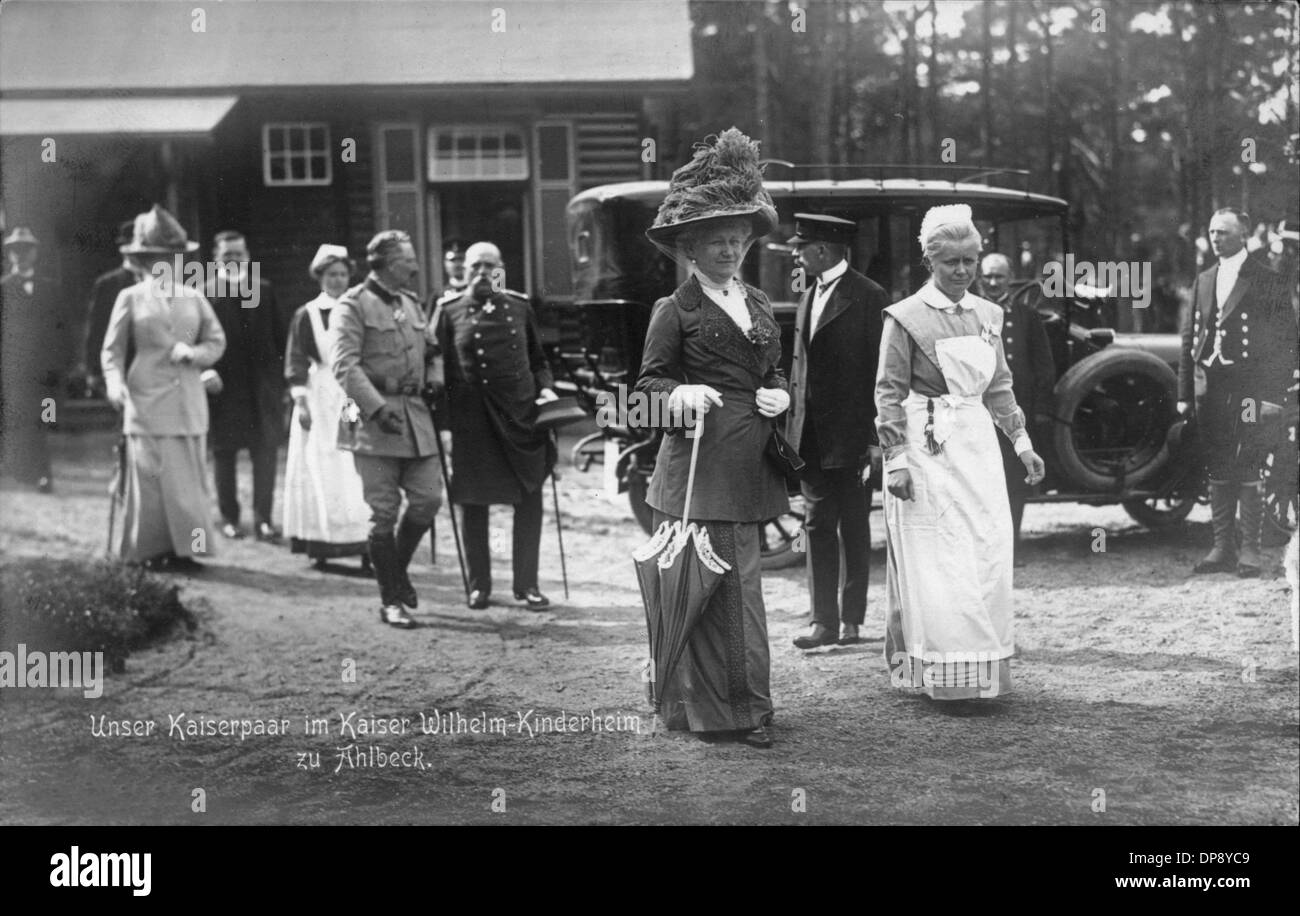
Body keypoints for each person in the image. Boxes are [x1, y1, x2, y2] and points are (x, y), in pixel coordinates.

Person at [635, 128, 789, 748]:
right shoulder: (674, 310)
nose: (729, 250)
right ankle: (733, 713)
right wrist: (677, 395)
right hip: (698, 469)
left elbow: (771, 369)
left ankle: (712, 703)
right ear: (691, 249)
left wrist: (781, 391)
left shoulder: (757, 303)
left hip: (750, 463)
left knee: (736, 585)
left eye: (737, 240)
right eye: (716, 241)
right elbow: (645, 387)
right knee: (717, 585)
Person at [875, 204, 1045, 701]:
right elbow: (888, 391)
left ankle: (983, 670)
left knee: (985, 551)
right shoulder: (905, 317)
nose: (964, 271)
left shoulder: (989, 314)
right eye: (952, 262)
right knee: (939, 558)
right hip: (927, 448)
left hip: (978, 450)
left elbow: (1000, 387)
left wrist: (1022, 444)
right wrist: (896, 460)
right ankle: (945, 678)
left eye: (970, 260)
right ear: (931, 261)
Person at [100, 205, 226, 568]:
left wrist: (196, 353)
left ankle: (188, 551)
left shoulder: (195, 297)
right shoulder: (131, 298)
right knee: (150, 482)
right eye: (155, 258)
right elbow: (113, 351)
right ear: (142, 261)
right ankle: (149, 552)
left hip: (187, 400)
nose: (164, 265)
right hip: (145, 400)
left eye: (171, 258)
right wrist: (114, 385)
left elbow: (216, 342)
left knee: (187, 482)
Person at [435, 241, 558, 610]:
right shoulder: (449, 311)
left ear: (501, 268)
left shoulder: (519, 308)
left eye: (490, 265)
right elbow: (437, 369)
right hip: (473, 423)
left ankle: (527, 584)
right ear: (464, 270)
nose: (482, 272)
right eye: (475, 266)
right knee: (474, 504)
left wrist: (547, 390)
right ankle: (479, 586)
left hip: (520, 418)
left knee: (530, 497)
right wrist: (443, 424)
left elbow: (539, 359)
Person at [785, 213, 888, 649]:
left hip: (851, 438)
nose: (795, 252)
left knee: (855, 526)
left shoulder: (868, 296)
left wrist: (874, 439)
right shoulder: (808, 295)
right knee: (815, 525)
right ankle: (822, 621)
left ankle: (851, 620)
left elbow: (881, 373)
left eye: (800, 247)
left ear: (823, 250)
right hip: (810, 437)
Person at [331, 230, 444, 628]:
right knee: (383, 513)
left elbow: (432, 350)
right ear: (385, 265)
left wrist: (436, 377)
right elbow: (345, 365)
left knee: (428, 499)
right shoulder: (353, 306)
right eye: (407, 261)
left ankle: (396, 573)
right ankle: (390, 599)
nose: (414, 267)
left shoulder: (412, 304)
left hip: (416, 418)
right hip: (373, 424)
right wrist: (377, 410)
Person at [1177, 208, 1297, 578]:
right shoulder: (1205, 278)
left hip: (1250, 389)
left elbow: (1286, 340)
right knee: (1218, 464)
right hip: (1211, 388)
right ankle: (1220, 548)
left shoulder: (1266, 279)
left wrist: (1274, 394)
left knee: (1249, 461)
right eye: (1212, 232)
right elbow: (1188, 341)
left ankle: (1250, 551)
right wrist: (1184, 391)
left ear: (1242, 234)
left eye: (1224, 232)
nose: (1216, 238)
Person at [282, 244, 372, 572]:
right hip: (320, 396)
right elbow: (295, 360)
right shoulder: (306, 314)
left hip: (352, 393)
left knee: (356, 464)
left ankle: (365, 545)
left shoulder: (360, 308)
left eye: (342, 274)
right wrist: (301, 401)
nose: (337, 280)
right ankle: (321, 542)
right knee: (322, 464)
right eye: (330, 274)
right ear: (319, 277)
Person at [205, 229, 285, 542]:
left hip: (261, 390)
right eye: (227, 256)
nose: (233, 260)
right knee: (224, 455)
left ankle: (264, 519)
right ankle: (229, 518)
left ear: (248, 257)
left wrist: (280, 384)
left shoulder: (263, 290)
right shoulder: (204, 292)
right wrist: (206, 373)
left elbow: (280, 341)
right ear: (216, 259)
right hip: (224, 390)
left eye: (238, 254)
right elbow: (194, 337)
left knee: (264, 455)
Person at [980, 252, 1056, 564]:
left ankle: (1010, 548)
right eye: (988, 276)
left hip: (1015, 417)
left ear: (1010, 278)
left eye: (999, 276)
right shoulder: (970, 313)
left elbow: (1044, 367)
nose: (994, 282)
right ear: (979, 279)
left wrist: (1039, 409)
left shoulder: (1026, 316)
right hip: (979, 415)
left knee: (1013, 482)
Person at [0, 227, 68, 493]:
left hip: (45, 371)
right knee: (18, 418)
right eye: (15, 250)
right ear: (9, 254)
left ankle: (43, 472)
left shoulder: (50, 288)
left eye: (26, 249)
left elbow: (62, 329)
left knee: (45, 419)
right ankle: (27, 471)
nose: (21, 255)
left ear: (35, 253)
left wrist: (62, 364)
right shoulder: (3, 288)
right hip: (13, 370)